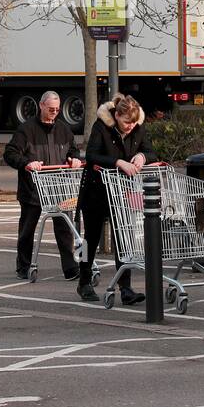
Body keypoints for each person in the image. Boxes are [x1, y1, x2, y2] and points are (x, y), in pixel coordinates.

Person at [77, 94, 154, 305]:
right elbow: (91, 155)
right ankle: (84, 281)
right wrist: (118, 161)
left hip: (122, 191)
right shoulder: (101, 127)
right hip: (96, 191)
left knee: (123, 239)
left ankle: (125, 287)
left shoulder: (137, 127)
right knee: (90, 239)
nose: (130, 127)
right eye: (126, 122)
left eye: (133, 122)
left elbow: (150, 151)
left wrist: (142, 156)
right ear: (117, 115)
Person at [3, 91, 83, 282]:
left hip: (58, 188)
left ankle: (71, 267)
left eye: (57, 109)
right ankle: (23, 266)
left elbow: (73, 150)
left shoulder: (64, 129)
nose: (54, 112)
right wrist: (26, 163)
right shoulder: (26, 130)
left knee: (66, 230)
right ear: (41, 106)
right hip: (32, 190)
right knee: (27, 231)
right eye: (51, 109)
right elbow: (10, 153)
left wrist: (75, 159)